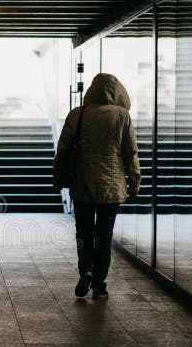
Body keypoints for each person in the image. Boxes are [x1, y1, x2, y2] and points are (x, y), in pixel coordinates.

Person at [55, 73, 141, 299]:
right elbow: (130, 152)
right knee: (104, 235)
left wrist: (59, 177)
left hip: (83, 184)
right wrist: (135, 181)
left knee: (83, 231)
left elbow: (63, 150)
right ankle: (100, 285)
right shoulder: (122, 116)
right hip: (111, 188)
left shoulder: (77, 114)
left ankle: (87, 269)